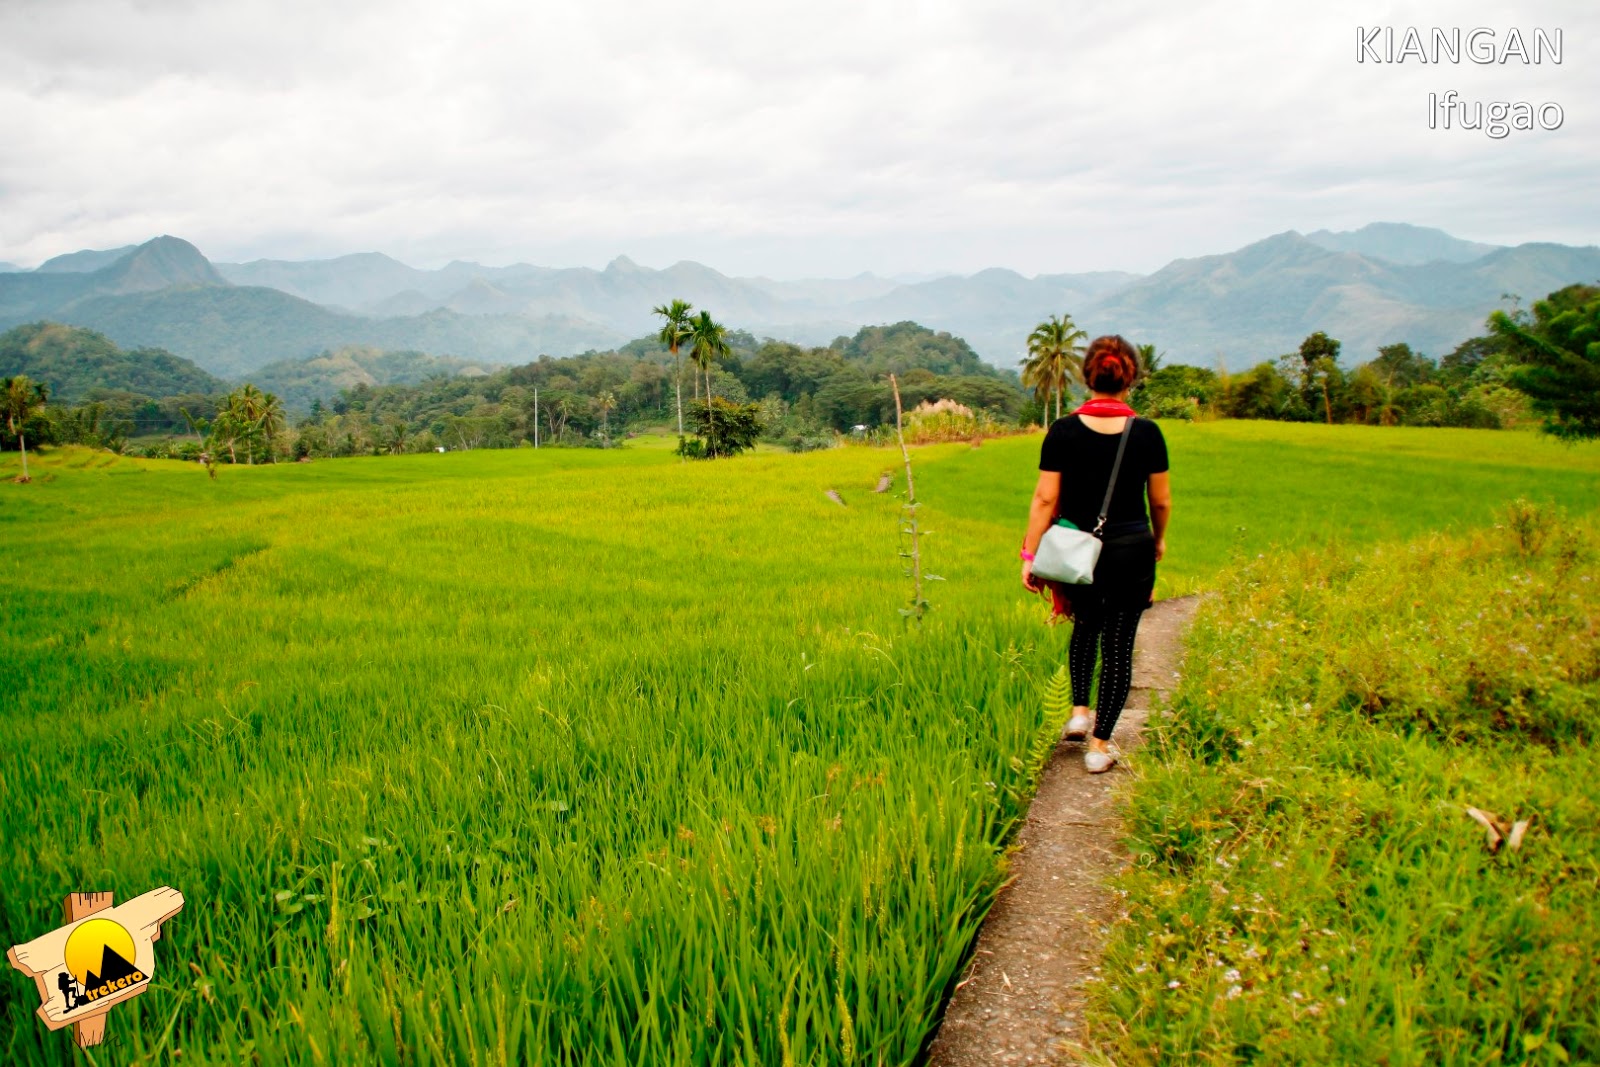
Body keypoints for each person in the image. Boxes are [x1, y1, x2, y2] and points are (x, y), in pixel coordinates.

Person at [1019, 335, 1171, 773]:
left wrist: (1031, 556)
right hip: (1130, 550)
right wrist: (1158, 540)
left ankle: (1079, 713)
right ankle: (1100, 746)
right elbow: (1160, 501)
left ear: (1087, 377)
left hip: (1076, 553)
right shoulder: (1147, 433)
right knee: (1120, 645)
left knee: (1085, 627)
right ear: (1131, 379)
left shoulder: (1063, 431)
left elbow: (1045, 500)